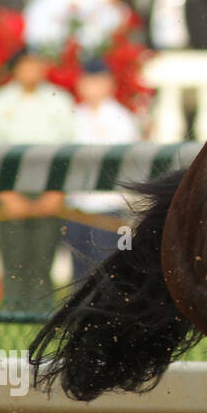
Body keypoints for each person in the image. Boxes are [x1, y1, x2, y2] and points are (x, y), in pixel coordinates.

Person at [0, 48, 77, 309]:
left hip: (48, 187)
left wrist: (57, 193)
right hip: (10, 187)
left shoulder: (60, 101)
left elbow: (72, 151)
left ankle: (42, 313)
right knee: (13, 256)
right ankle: (12, 312)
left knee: (44, 255)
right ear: (16, 68)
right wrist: (6, 196)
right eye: (27, 65)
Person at [63, 58, 141, 280]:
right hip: (77, 206)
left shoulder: (122, 119)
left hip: (108, 206)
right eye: (88, 81)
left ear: (109, 84)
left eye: (98, 81)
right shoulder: (73, 116)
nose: (93, 87)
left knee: (105, 273)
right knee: (78, 275)